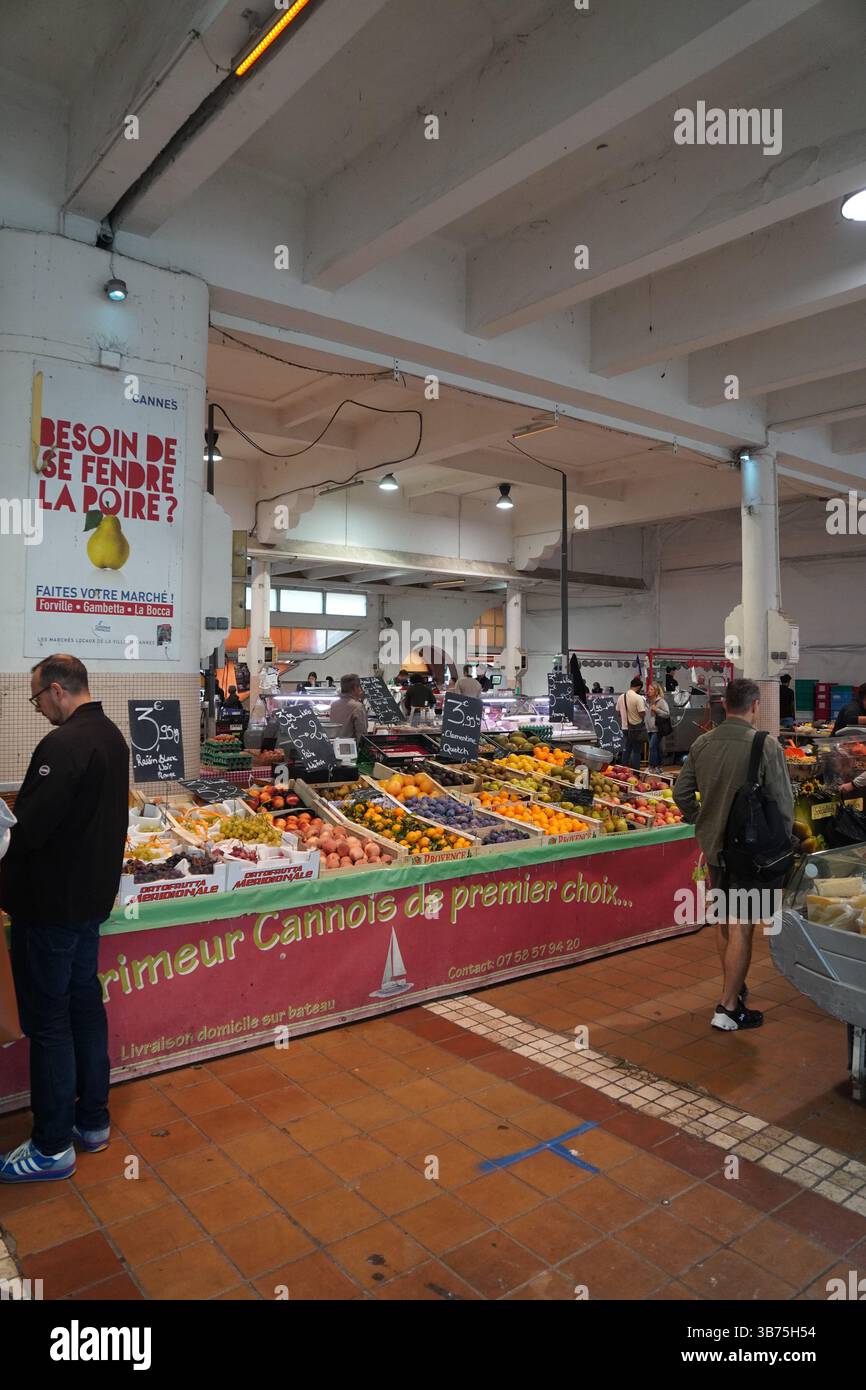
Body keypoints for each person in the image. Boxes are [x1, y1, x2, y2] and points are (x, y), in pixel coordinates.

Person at [0, 655, 129, 1182]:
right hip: (89, 904)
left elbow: (30, 831)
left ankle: (52, 1145)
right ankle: (92, 1121)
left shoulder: (63, 744)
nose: (39, 710)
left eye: (36, 699)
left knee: (50, 1024)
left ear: (56, 690)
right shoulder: (113, 735)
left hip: (52, 908)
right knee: (84, 1008)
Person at [674, 678, 794, 1033]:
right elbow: (783, 803)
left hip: (715, 850)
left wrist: (702, 819)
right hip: (752, 853)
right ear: (755, 706)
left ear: (726, 705)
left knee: (725, 919)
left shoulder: (702, 742)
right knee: (743, 924)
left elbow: (681, 793)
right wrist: (783, 845)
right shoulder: (765, 745)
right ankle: (727, 1008)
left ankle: (734, 985)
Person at [329, 674, 368, 741]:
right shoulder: (358, 707)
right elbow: (362, 735)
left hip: (335, 747)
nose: (360, 690)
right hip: (351, 749)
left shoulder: (333, 705)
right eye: (359, 687)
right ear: (355, 688)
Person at [619, 677, 647, 770]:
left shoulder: (621, 697)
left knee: (626, 749)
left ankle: (623, 771)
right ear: (639, 687)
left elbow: (618, 711)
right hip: (636, 728)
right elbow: (642, 713)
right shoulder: (638, 698)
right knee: (636, 751)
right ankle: (636, 773)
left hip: (624, 727)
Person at [646, 683, 671, 771]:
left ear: (656, 692)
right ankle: (659, 766)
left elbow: (667, 714)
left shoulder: (661, 701)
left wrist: (656, 709)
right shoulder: (647, 701)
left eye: (651, 689)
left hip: (657, 728)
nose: (649, 691)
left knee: (652, 747)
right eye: (648, 689)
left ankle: (652, 766)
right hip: (649, 729)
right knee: (656, 747)